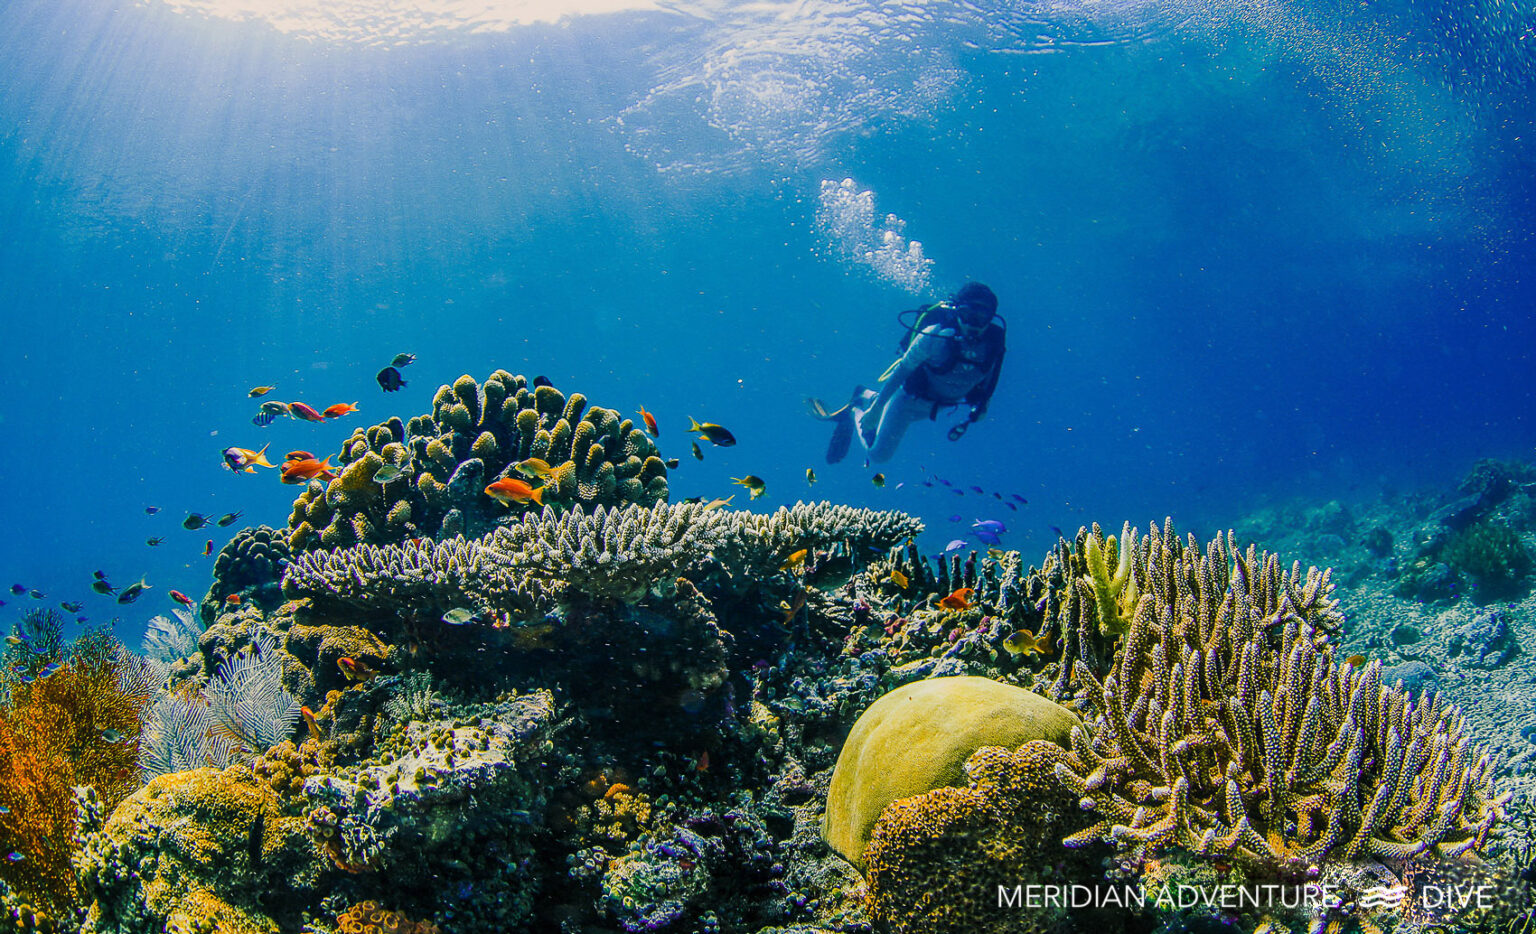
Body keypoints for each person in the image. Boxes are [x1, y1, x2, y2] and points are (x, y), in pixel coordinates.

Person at [813, 281, 1006, 464]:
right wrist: (877, 409)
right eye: (968, 315)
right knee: (879, 455)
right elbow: (902, 371)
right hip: (907, 403)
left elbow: (990, 380)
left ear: (991, 318)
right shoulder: (934, 336)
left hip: (941, 405)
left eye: (982, 317)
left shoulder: (993, 345)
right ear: (957, 312)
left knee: (886, 427)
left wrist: (983, 406)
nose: (974, 324)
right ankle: (855, 409)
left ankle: (868, 396)